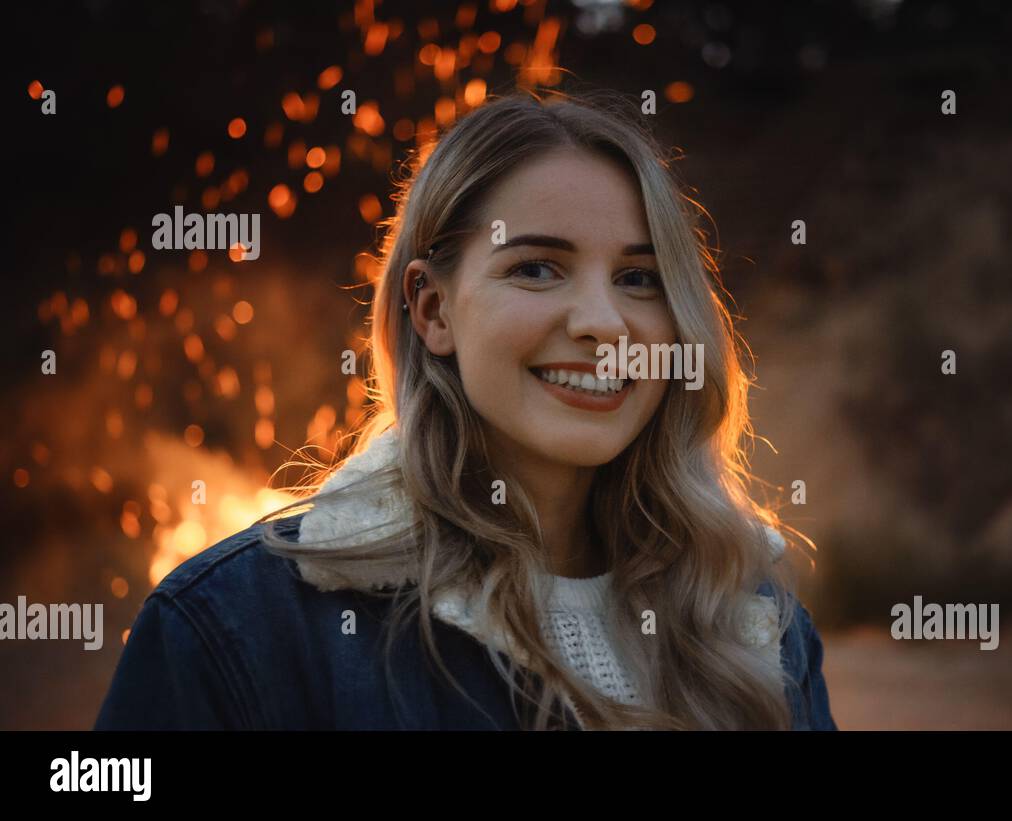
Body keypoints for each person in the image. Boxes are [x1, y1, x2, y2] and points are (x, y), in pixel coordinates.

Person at [95, 91, 837, 731]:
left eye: (640, 277)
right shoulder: (237, 626)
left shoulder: (751, 619)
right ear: (432, 307)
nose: (605, 323)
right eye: (537, 268)